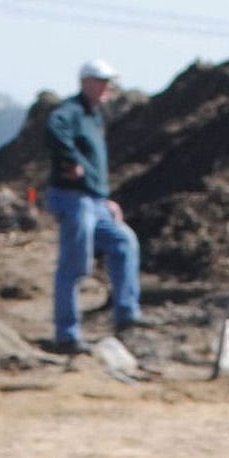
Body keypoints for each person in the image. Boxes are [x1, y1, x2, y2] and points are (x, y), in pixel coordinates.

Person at [43, 58, 142, 353]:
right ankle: (67, 334)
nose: (107, 88)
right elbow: (53, 129)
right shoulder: (71, 112)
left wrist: (104, 197)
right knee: (74, 265)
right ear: (86, 82)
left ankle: (127, 314)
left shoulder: (94, 116)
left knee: (124, 242)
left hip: (95, 201)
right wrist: (69, 161)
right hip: (73, 198)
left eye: (109, 82)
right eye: (102, 82)